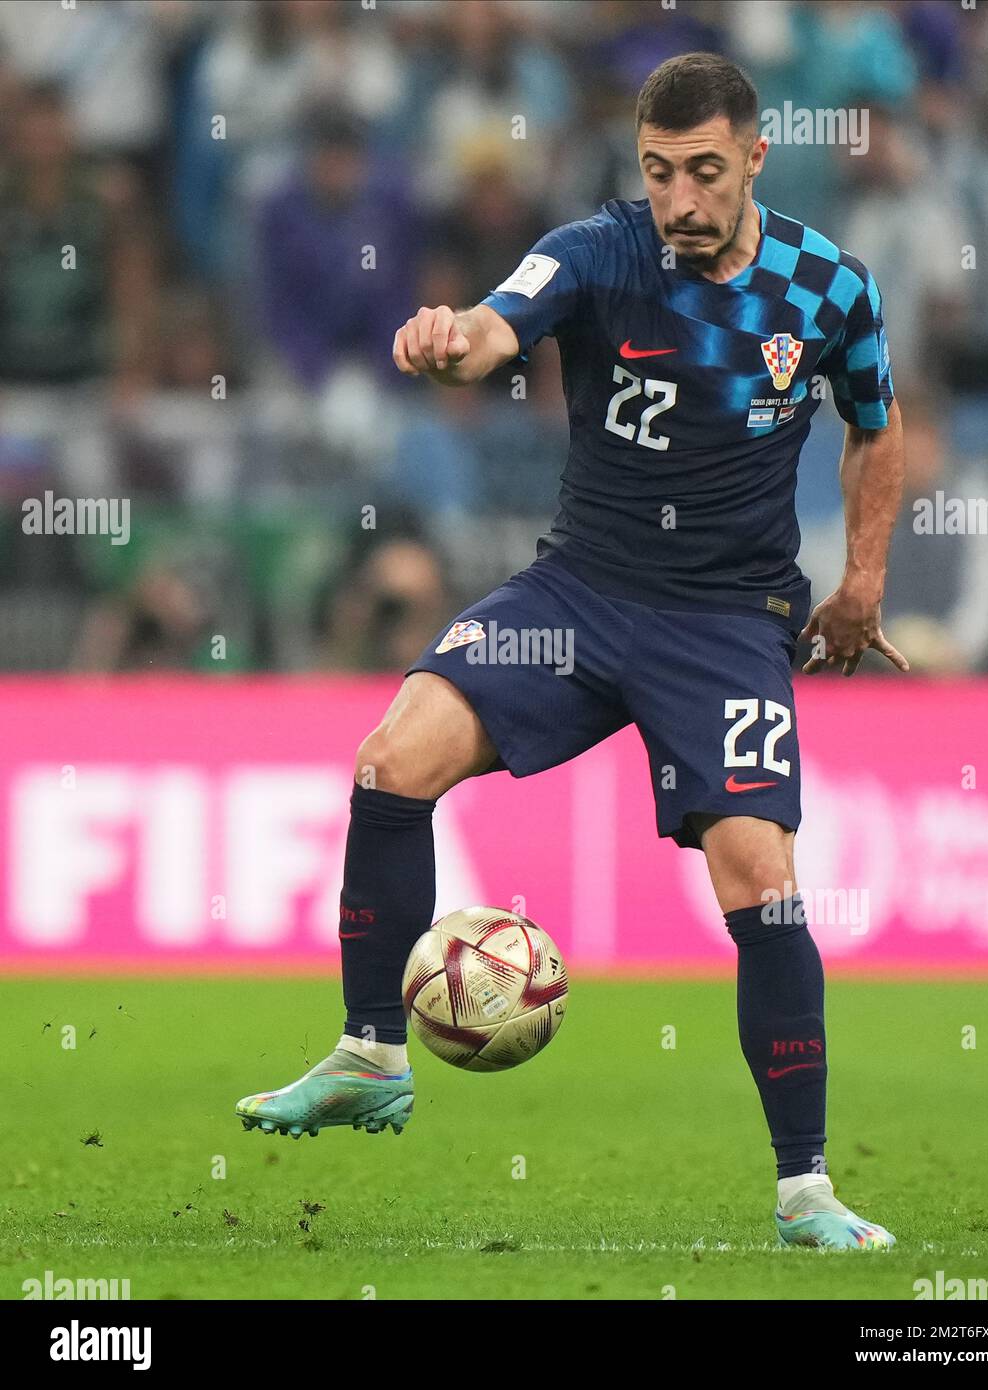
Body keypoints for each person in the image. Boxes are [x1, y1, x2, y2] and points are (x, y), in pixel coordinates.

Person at [236, 52, 908, 1252]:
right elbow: (501, 327)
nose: (680, 201)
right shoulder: (597, 250)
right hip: (580, 591)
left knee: (759, 876)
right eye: (658, 173)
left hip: (724, 621)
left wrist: (860, 580)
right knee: (392, 759)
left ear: (754, 157)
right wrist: (452, 338)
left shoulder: (827, 286)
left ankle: (803, 1190)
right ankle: (369, 1051)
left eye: (704, 172)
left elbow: (874, 424)